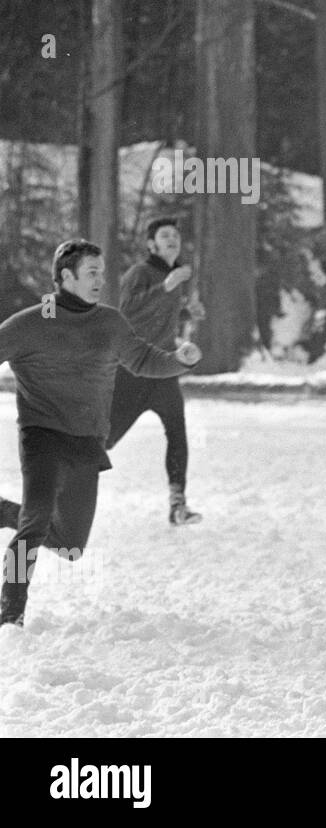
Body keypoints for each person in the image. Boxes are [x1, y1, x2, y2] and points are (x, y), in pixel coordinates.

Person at [0, 240, 201, 627]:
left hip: (87, 440)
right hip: (41, 436)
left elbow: (142, 359)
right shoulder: (32, 321)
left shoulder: (109, 322)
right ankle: (10, 614)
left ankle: (4, 511)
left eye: (102, 271)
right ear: (65, 277)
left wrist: (179, 360)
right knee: (35, 523)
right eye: (91, 272)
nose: (100, 279)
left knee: (71, 546)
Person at [105, 217, 205, 525]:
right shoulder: (140, 273)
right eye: (165, 235)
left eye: (175, 234)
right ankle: (56, 487)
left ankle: (178, 503)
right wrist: (166, 287)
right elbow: (128, 313)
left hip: (163, 370)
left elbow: (160, 314)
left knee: (177, 433)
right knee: (104, 440)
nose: (172, 238)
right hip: (132, 371)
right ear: (152, 245)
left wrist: (187, 311)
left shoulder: (170, 276)